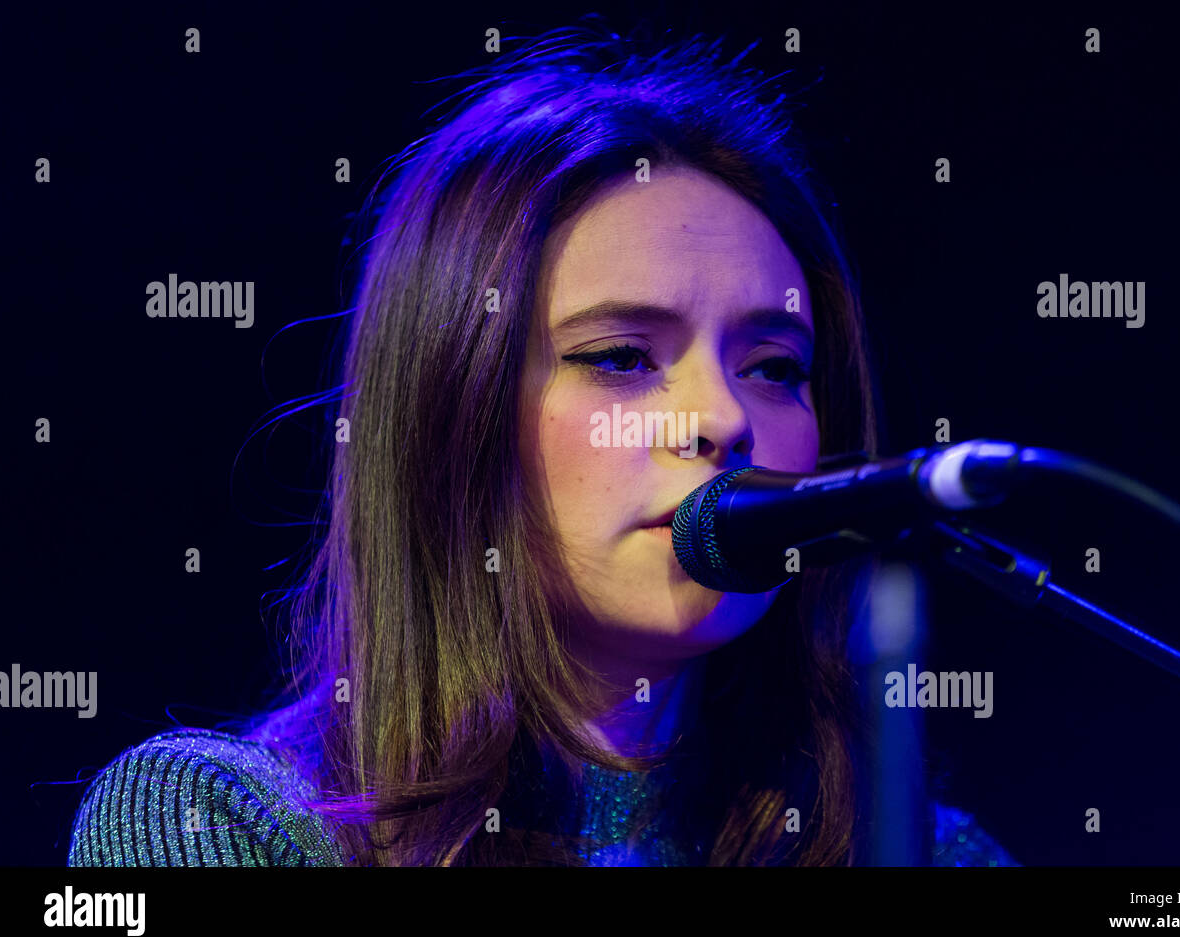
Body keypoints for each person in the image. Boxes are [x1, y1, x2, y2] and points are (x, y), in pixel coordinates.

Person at [68, 21, 1017, 867]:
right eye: (620, 357)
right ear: (456, 411)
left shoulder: (927, 851)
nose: (723, 419)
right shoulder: (219, 822)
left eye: (773, 367)